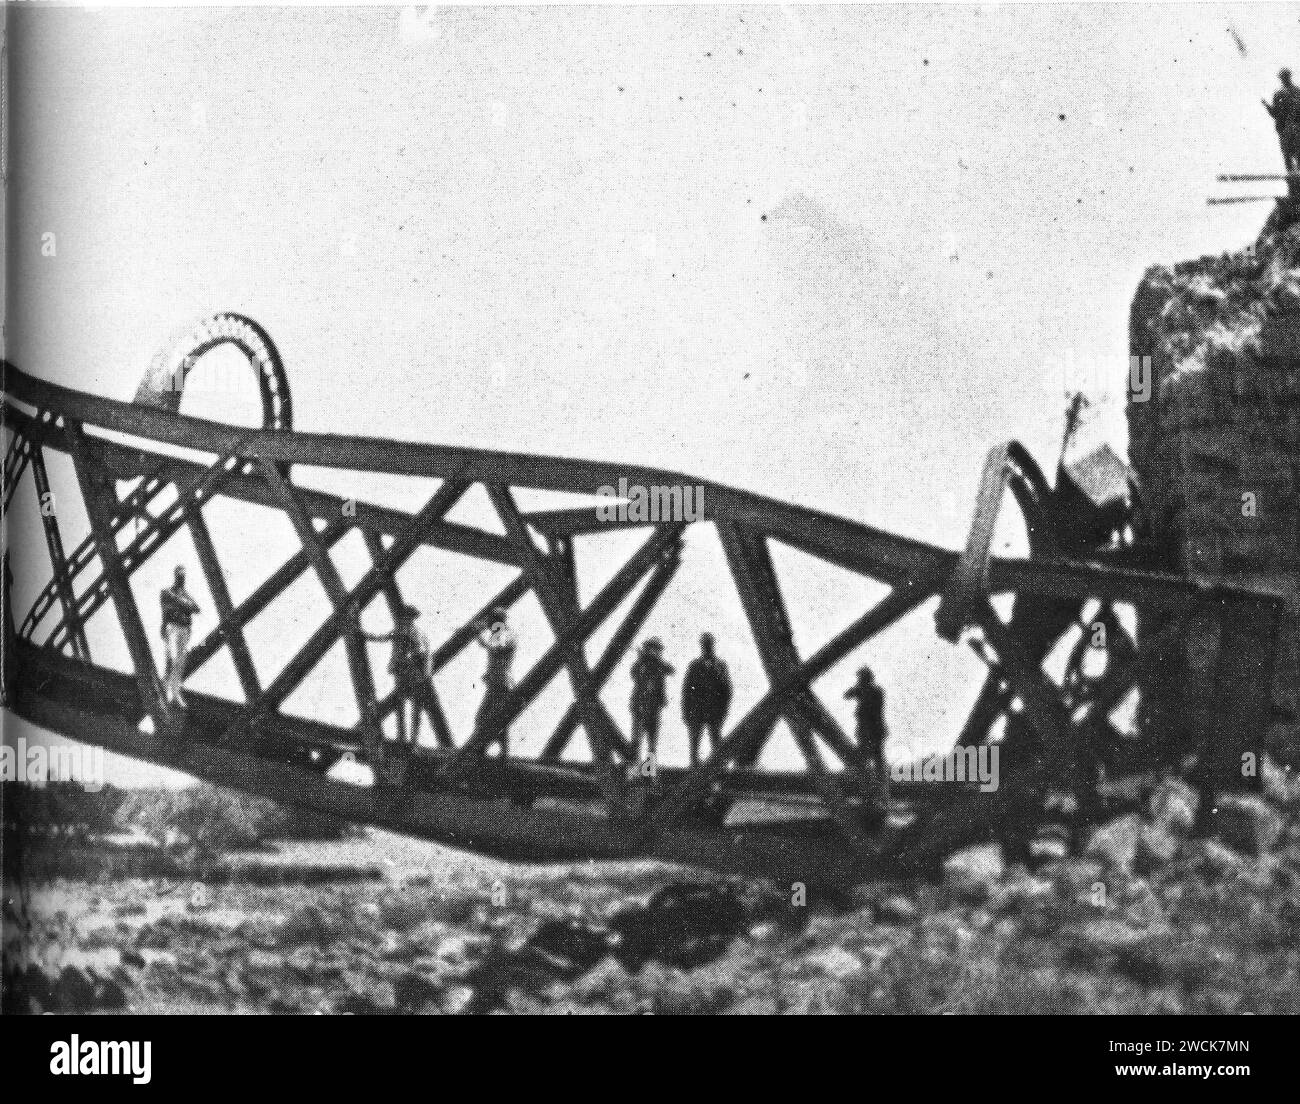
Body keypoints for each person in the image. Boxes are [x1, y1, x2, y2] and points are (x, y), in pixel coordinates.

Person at [362, 604, 434, 746]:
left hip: (405, 671)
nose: (404, 619)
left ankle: (406, 737)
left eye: (406, 617)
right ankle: (410, 738)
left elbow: (382, 638)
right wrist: (426, 673)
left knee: (404, 704)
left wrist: (365, 635)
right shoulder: (416, 633)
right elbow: (426, 655)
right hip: (412, 672)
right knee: (412, 705)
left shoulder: (404, 631)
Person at [682, 632, 732, 767]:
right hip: (697, 711)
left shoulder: (720, 666)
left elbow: (727, 691)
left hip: (714, 711)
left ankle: (718, 773)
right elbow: (686, 691)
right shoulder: (694, 666)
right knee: (695, 746)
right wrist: (686, 713)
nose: (707, 647)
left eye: (708, 644)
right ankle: (694, 773)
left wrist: (723, 712)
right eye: (705, 644)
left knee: (716, 745)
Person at [473, 605, 516, 756]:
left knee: (482, 717)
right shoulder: (504, 632)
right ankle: (500, 752)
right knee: (497, 717)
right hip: (501, 682)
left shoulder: (501, 633)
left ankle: (481, 750)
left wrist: (478, 635)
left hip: (500, 683)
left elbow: (494, 648)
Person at [845, 666, 889, 808]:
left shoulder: (872, 691)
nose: (859, 680)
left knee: (869, 763)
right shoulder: (871, 691)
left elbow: (850, 695)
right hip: (871, 732)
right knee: (874, 763)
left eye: (860, 678)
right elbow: (848, 694)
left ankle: (874, 796)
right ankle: (876, 796)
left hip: (871, 732)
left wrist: (859, 688)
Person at [630, 638, 674, 771]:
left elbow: (671, 670)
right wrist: (642, 659)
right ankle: (635, 771)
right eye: (654, 649)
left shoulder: (658, 664)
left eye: (657, 650)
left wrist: (654, 660)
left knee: (651, 743)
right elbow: (633, 673)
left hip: (654, 708)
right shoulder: (641, 664)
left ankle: (648, 771)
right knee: (636, 742)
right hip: (640, 707)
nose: (656, 652)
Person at [160, 565, 200, 709]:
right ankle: (166, 690)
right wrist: (185, 605)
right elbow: (166, 610)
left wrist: (179, 601)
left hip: (185, 629)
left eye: (183, 577)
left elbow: (196, 608)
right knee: (173, 657)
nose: (181, 579)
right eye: (179, 576)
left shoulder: (182, 594)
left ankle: (175, 691)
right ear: (176, 577)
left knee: (181, 660)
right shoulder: (166, 592)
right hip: (173, 627)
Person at [1263, 68, 1300, 177]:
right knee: (1295, 158)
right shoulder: (1297, 92)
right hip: (1293, 129)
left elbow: (1275, 114)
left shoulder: (1280, 94)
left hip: (1287, 130)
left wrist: (1266, 106)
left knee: (1289, 158)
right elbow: (1276, 114)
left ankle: (1294, 187)